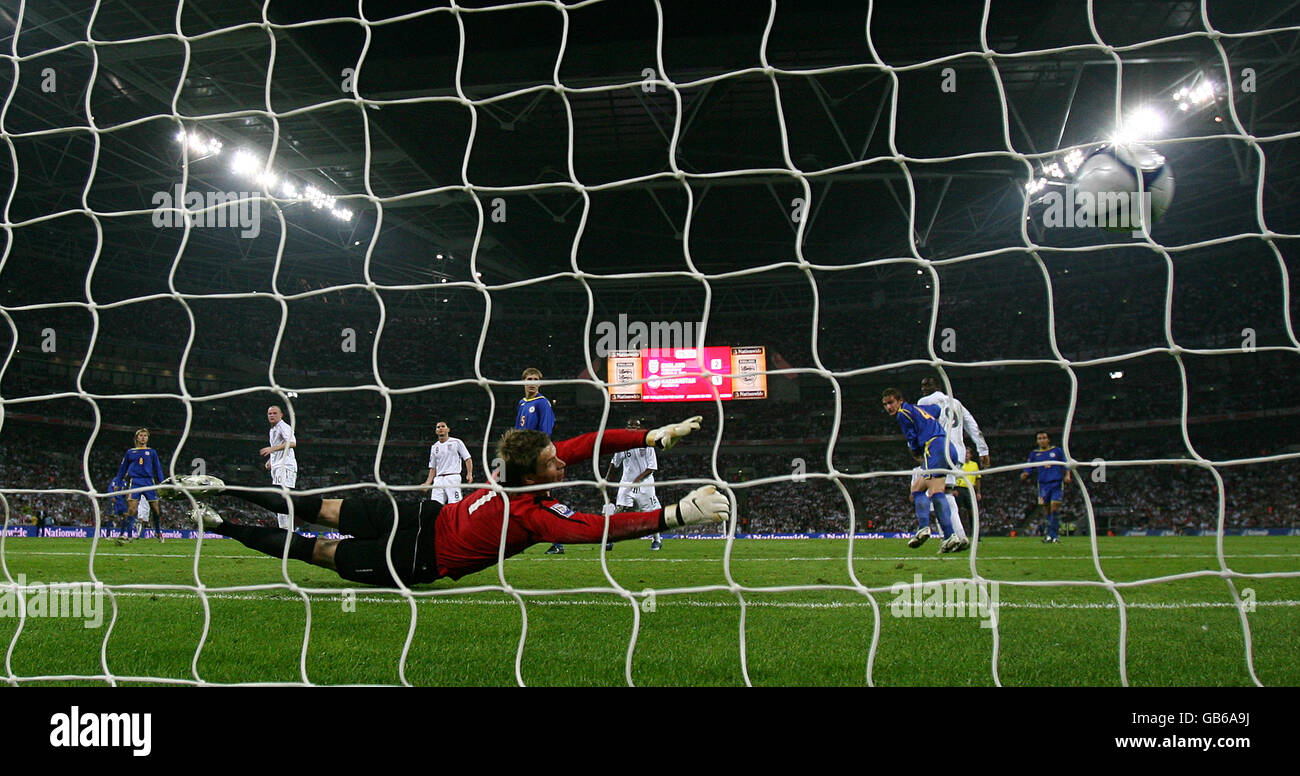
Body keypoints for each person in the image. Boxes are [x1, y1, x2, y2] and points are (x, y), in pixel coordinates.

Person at [169, 416, 725, 586]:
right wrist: (676, 516)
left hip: (422, 539)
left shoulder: (520, 482)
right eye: (555, 462)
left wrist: (650, 436)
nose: (565, 463)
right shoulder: (529, 508)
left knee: (316, 539)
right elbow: (591, 527)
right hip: (421, 536)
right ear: (535, 471)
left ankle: (220, 519)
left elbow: (588, 447)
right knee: (319, 518)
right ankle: (222, 492)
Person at [918, 376, 990, 551]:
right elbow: (972, 425)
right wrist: (983, 450)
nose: (923, 388)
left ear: (936, 386)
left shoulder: (924, 401)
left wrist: (917, 449)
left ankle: (950, 537)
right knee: (946, 492)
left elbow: (920, 425)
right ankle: (960, 537)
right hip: (958, 452)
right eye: (922, 385)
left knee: (934, 493)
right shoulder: (955, 402)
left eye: (926, 385)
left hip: (939, 449)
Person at [881, 388, 957, 549]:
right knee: (917, 488)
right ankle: (926, 528)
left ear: (900, 401)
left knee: (936, 491)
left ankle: (948, 534)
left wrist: (915, 452)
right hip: (948, 447)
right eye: (885, 404)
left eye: (891, 402)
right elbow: (936, 410)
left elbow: (912, 439)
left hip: (934, 446)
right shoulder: (917, 408)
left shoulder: (902, 413)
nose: (888, 407)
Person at [516, 367, 564, 555]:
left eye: (536, 379)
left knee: (543, 498)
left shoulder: (542, 403)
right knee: (524, 498)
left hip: (536, 457)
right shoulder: (521, 403)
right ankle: (521, 538)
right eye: (529, 379)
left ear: (540, 383)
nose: (532, 382)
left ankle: (559, 540)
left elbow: (545, 432)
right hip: (524, 456)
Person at [610, 418, 663, 551]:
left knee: (648, 514)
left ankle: (657, 540)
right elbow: (614, 463)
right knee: (619, 510)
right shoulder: (622, 443)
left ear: (640, 428)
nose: (633, 429)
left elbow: (651, 467)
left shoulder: (648, 444)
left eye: (636, 426)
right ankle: (610, 539)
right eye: (631, 426)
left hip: (645, 483)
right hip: (627, 482)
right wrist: (605, 480)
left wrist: (636, 481)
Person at [115, 428, 165, 544]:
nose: (143, 437)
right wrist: (118, 482)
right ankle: (129, 535)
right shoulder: (130, 452)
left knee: (155, 509)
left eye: (145, 436)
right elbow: (122, 469)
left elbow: (158, 468)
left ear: (148, 438)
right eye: (141, 435)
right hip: (135, 482)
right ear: (137, 437)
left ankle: (158, 532)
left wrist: (162, 483)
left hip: (149, 482)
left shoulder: (152, 452)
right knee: (132, 509)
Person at [1021, 431, 1071, 542]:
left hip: (1056, 483)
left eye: (1044, 438)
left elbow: (1066, 463)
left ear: (1048, 439)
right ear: (1037, 441)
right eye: (1039, 438)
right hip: (1043, 485)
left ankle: (1054, 535)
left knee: (1054, 507)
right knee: (1047, 511)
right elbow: (1029, 467)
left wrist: (1067, 475)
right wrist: (1025, 473)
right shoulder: (1034, 454)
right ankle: (1050, 535)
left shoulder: (1057, 451)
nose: (1042, 440)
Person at [260, 405, 298, 531]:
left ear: (281, 415)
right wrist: (272, 459)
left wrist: (271, 449)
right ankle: (284, 530)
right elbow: (279, 445)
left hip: (286, 466)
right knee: (278, 499)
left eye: (274, 413)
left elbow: (292, 443)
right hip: (277, 467)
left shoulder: (284, 426)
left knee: (284, 499)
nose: (271, 415)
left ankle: (289, 533)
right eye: (269, 413)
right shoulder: (273, 429)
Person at [419, 420, 473, 504]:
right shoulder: (434, 447)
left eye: (443, 426)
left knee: (455, 504)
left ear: (448, 429)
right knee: (435, 505)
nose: (440, 428)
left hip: (452, 477)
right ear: (436, 431)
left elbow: (467, 459)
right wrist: (427, 483)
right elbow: (433, 468)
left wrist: (469, 473)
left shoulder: (456, 442)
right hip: (438, 480)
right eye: (438, 427)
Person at [108, 474, 132, 544]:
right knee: (111, 516)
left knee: (125, 516)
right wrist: (112, 496)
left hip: (121, 501)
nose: (126, 474)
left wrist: (127, 496)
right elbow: (110, 488)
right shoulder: (116, 479)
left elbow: (124, 493)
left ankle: (121, 534)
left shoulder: (125, 483)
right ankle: (108, 535)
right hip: (115, 500)